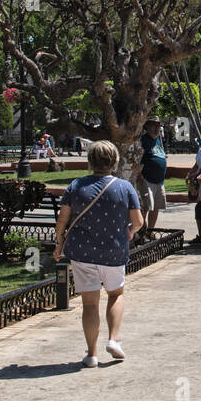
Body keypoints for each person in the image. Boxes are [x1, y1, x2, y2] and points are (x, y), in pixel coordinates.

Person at [54, 140, 144, 368]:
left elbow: (62, 220)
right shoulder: (125, 188)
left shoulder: (76, 186)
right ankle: (114, 339)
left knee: (90, 304)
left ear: (90, 161)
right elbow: (138, 221)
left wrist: (58, 244)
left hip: (82, 253)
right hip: (113, 251)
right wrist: (130, 231)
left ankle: (91, 354)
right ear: (114, 161)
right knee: (115, 294)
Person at [135, 117, 167, 241]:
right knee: (145, 207)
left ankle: (150, 230)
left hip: (159, 181)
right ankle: (141, 232)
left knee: (156, 207)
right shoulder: (143, 141)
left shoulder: (158, 141)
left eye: (158, 126)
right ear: (147, 126)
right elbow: (136, 159)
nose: (156, 128)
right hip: (146, 180)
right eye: (154, 125)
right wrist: (139, 175)